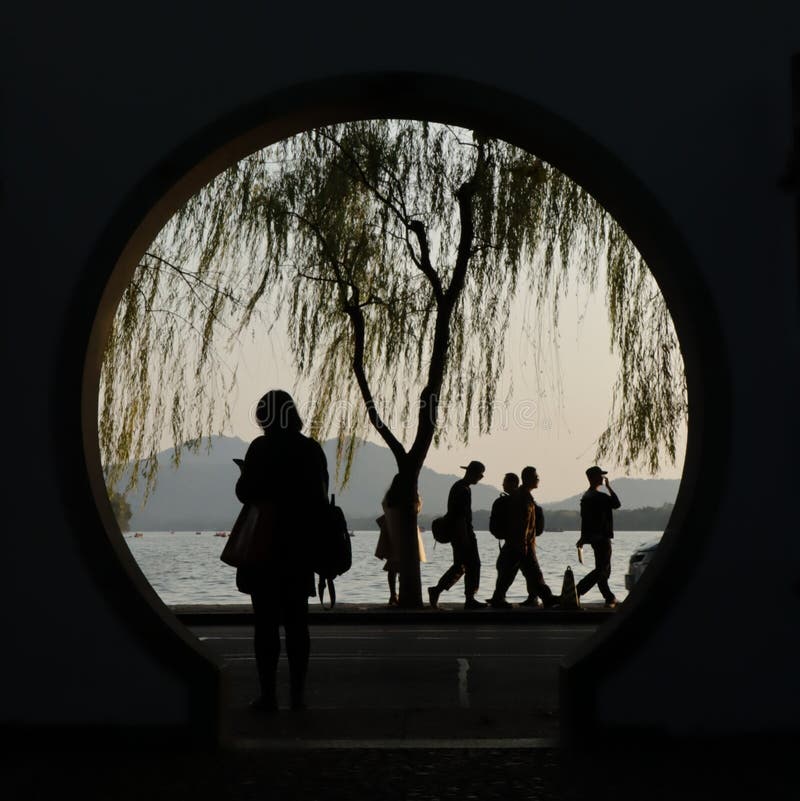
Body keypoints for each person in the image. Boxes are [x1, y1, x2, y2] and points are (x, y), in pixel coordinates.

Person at [234, 389, 329, 713]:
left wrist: (247, 474)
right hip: (299, 547)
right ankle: (298, 695)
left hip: (264, 545)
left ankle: (268, 695)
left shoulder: (261, 448)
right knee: (297, 623)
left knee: (265, 625)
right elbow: (320, 497)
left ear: (264, 417)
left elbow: (244, 492)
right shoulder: (310, 450)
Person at [488, 466, 558, 609]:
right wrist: (523, 544)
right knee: (521, 572)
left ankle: (544, 597)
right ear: (527, 479)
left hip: (521, 543)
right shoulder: (521, 498)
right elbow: (521, 522)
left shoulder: (525, 496)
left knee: (517, 572)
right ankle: (546, 598)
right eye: (535, 476)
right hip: (520, 543)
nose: (538, 478)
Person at [428, 460, 487, 610]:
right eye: (480, 475)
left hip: (460, 532)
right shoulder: (463, 490)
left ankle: (437, 590)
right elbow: (460, 516)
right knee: (473, 564)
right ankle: (469, 598)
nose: (480, 478)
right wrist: (465, 537)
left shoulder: (460, 487)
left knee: (460, 566)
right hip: (462, 532)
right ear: (472, 473)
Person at [375, 475, 427, 607]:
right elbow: (417, 509)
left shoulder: (389, 499)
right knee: (405, 566)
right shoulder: (409, 498)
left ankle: (393, 594)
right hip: (406, 535)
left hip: (392, 534)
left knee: (393, 566)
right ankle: (403, 594)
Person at [575, 465, 621, 608]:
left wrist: (583, 537)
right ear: (593, 478)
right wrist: (609, 488)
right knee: (602, 569)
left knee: (602, 569)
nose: (602, 478)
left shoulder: (586, 497)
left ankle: (609, 597)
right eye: (600, 476)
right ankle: (578, 590)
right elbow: (617, 504)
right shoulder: (600, 497)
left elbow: (585, 520)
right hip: (602, 538)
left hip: (594, 538)